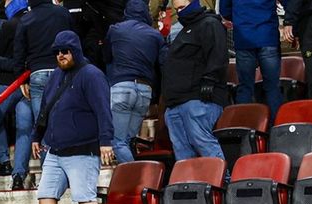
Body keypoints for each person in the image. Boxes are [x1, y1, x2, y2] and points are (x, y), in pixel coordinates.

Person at [32, 31, 113, 204]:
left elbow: (103, 109)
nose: (61, 55)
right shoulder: (55, 76)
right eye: (57, 51)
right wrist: (37, 136)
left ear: (75, 51)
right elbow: (45, 109)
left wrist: (106, 141)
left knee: (86, 199)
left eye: (66, 51)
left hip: (83, 150)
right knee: (45, 196)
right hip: (54, 150)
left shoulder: (92, 75)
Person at [13, 0, 73, 190]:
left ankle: (49, 178)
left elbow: (18, 52)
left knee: (44, 126)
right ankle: (68, 174)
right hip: (61, 72)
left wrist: (21, 79)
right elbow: (73, 40)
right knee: (66, 121)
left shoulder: (26, 19)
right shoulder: (62, 13)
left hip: (37, 74)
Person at [161, 0, 228, 164]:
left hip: (198, 99)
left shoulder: (209, 24)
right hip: (175, 103)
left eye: (182, 7)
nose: (180, 12)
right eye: (177, 10)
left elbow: (218, 55)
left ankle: (221, 183)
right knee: (182, 154)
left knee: (204, 144)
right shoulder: (184, 31)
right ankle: (189, 187)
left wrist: (209, 80)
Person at [106, 0, 167, 164]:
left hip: (121, 88)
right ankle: (135, 177)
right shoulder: (155, 35)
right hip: (144, 91)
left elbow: (106, 56)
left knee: (118, 142)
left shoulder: (115, 30)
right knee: (128, 141)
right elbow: (162, 65)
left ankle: (133, 175)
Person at [0, 0, 29, 181]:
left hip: (8, 83)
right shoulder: (33, 22)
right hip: (27, 84)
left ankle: (3, 161)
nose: (4, 4)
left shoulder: (9, 25)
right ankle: (19, 173)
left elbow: (0, 51)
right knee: (24, 128)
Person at [220, 0, 281, 119]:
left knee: (245, 87)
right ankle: (278, 130)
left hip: (244, 37)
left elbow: (225, 10)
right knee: (273, 87)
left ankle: (244, 129)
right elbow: (288, 4)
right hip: (268, 35)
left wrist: (240, 19)